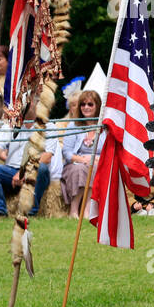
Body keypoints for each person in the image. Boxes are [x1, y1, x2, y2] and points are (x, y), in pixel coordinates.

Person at [60, 90, 105, 218]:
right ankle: (74, 209)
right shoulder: (73, 125)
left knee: (93, 167)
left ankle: (87, 209)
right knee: (81, 169)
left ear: (97, 106)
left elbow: (109, 151)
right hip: (75, 163)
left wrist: (96, 158)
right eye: (83, 104)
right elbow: (67, 152)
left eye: (90, 104)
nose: (86, 107)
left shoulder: (104, 127)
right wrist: (81, 159)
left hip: (97, 163)